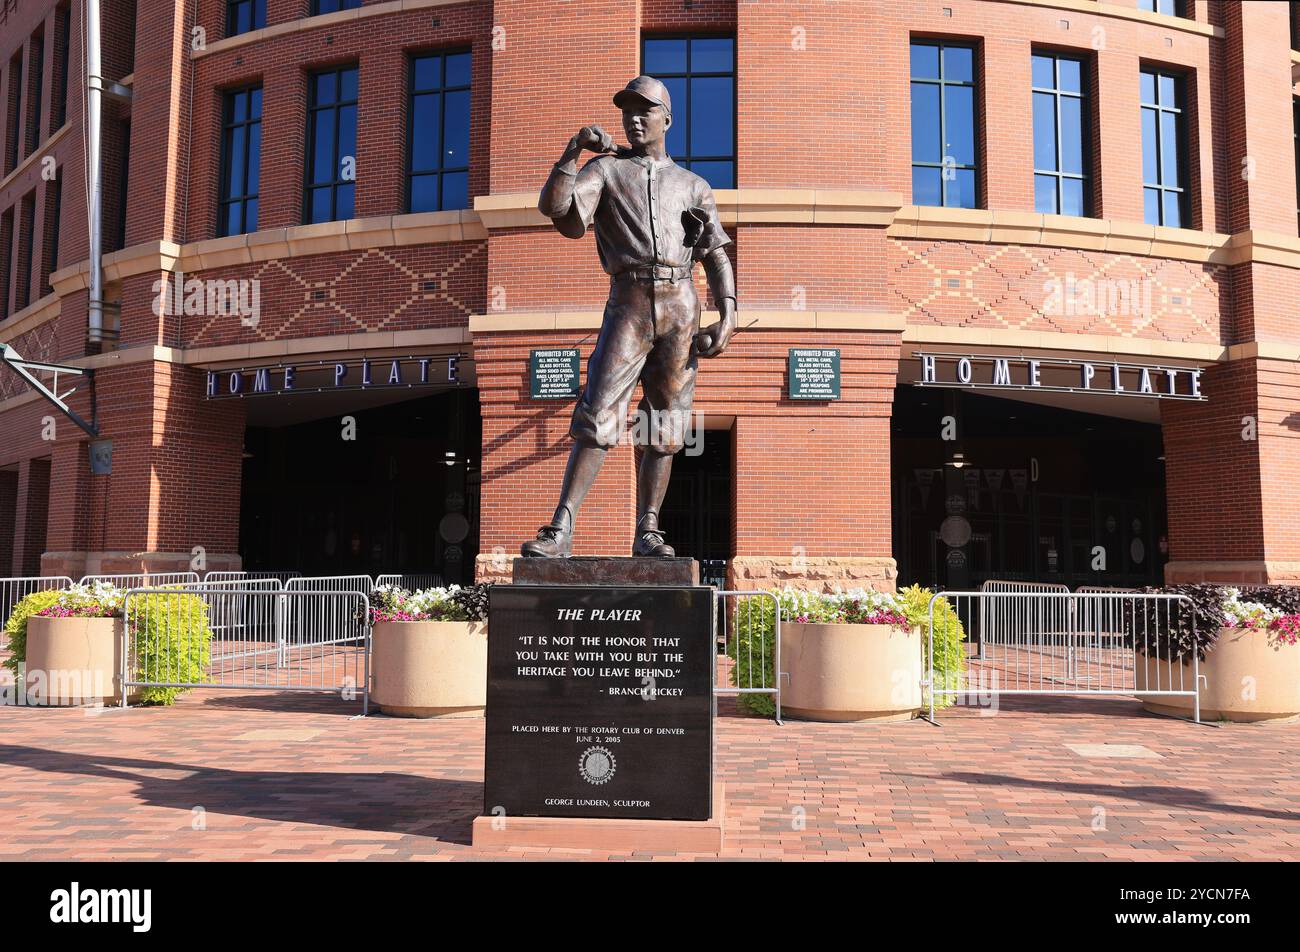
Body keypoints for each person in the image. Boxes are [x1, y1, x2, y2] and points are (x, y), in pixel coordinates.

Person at [522, 75, 737, 558]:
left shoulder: (693, 185)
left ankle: (648, 529)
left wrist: (728, 313)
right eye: (627, 112)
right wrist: (572, 152)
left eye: (645, 110)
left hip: (681, 303)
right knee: (598, 411)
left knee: (665, 421)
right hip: (630, 300)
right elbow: (556, 209)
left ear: (667, 119)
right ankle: (561, 528)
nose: (635, 119)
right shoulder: (605, 171)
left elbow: (715, 254)